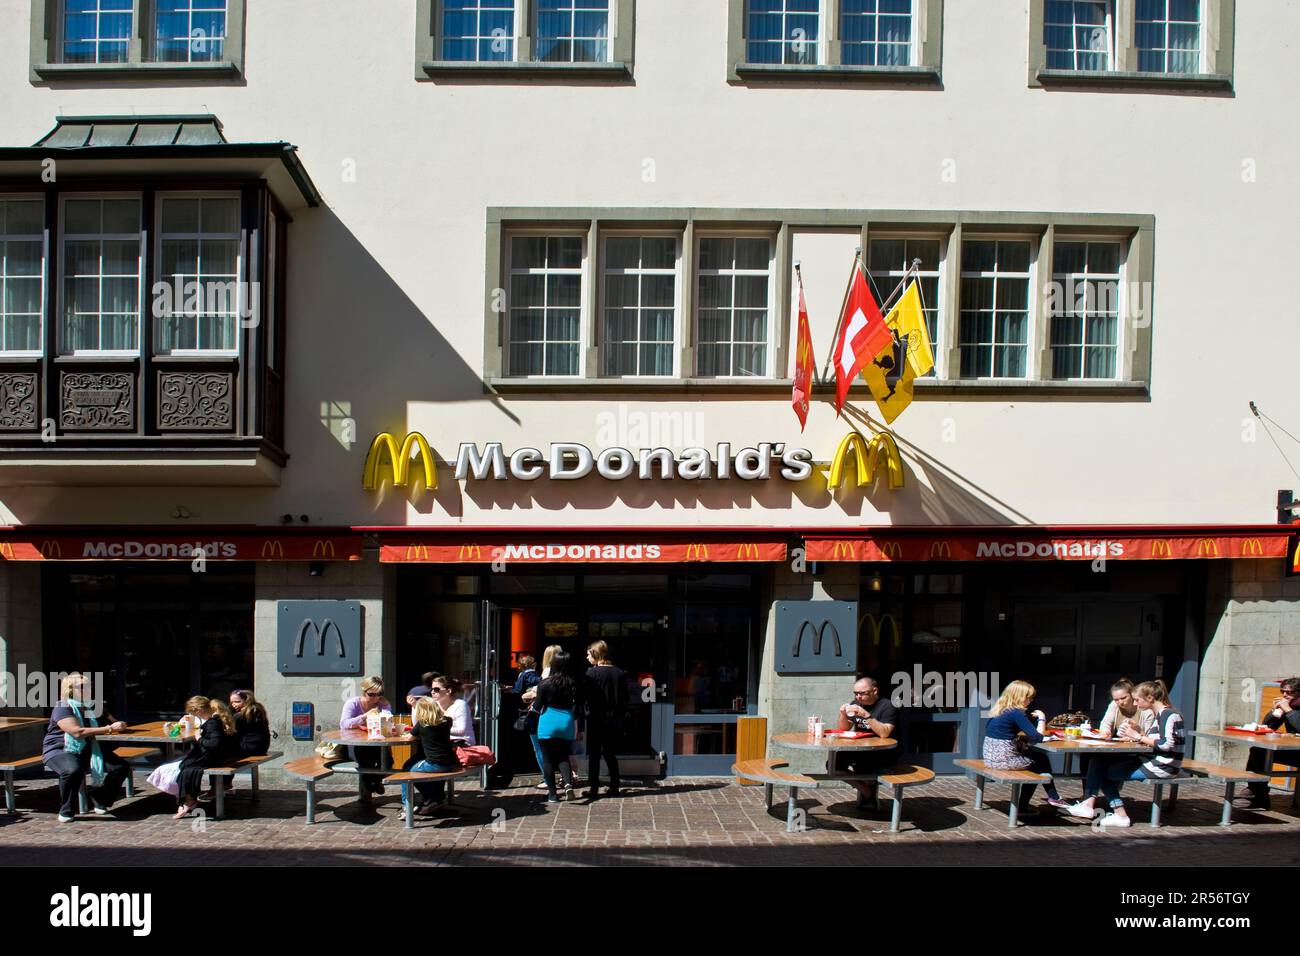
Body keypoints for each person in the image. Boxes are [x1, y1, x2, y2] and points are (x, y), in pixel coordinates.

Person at [1067, 679, 1184, 827]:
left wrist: (1138, 736)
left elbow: (1166, 744)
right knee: (1097, 762)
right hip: (1153, 761)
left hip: (1162, 766)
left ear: (1149, 698)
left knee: (1102, 772)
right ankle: (1090, 805)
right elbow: (1155, 740)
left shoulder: (1167, 715)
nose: (1135, 704)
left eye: (1136, 700)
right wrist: (1139, 731)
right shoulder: (1163, 714)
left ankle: (1118, 814)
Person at [42, 672, 130, 823]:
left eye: (89, 686)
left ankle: (99, 798)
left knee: (120, 767)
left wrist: (120, 724)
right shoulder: (63, 707)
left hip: (89, 749)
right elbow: (76, 732)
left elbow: (116, 723)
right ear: (70, 689)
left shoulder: (93, 705)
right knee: (72, 771)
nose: (87, 689)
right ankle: (66, 810)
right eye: (82, 686)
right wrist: (108, 728)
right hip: (61, 749)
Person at [982, 679, 1069, 818]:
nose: (1030, 701)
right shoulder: (1015, 713)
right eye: (1029, 697)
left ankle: (1050, 797)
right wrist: (1042, 718)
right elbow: (1037, 737)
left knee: (1036, 761)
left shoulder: (1000, 711)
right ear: (1019, 697)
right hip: (1004, 761)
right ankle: (1051, 797)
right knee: (1040, 759)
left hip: (990, 759)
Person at [834, 676, 899, 806]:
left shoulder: (887, 706)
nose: (858, 697)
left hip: (881, 752)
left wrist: (866, 716)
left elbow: (884, 733)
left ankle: (868, 791)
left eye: (862, 693)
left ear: (874, 691)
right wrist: (843, 714)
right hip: (859, 749)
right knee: (833, 766)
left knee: (866, 770)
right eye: (856, 693)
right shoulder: (855, 703)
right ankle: (867, 791)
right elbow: (843, 728)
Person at [174, 696, 236, 819]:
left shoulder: (212, 723)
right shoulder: (216, 719)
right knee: (185, 766)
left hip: (212, 757)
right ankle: (189, 799)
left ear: (199, 711)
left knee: (187, 768)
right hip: (219, 755)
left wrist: (199, 739)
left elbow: (214, 744)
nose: (194, 715)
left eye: (193, 713)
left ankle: (189, 800)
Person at [1244, 677, 1300, 809]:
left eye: (1289, 692)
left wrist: (1289, 711)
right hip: (1293, 750)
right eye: (1283, 692)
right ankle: (1257, 792)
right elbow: (1268, 727)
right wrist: (1274, 712)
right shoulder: (1289, 706)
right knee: (1259, 750)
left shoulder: (1291, 708)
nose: (1285, 695)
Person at [402, 695, 459, 815]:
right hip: (451, 762)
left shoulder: (422, 725)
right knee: (414, 764)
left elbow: (409, 737)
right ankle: (436, 798)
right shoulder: (447, 721)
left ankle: (409, 806)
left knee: (406, 773)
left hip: (435, 763)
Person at [583, 640, 627, 798]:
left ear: (596, 654)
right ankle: (614, 785)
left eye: (589, 654)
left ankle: (593, 788)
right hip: (614, 719)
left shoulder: (591, 673)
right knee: (610, 754)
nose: (587, 657)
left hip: (596, 719)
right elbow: (625, 698)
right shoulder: (619, 673)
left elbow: (585, 696)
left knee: (594, 754)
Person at [535, 650, 580, 803]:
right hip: (566, 721)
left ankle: (553, 794)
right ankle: (568, 783)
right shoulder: (573, 683)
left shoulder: (545, 683)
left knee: (547, 759)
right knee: (563, 756)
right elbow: (578, 706)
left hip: (548, 721)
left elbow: (537, 706)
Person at [340, 676, 391, 796]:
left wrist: (387, 707)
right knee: (365, 761)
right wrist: (364, 716)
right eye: (372, 694)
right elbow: (344, 724)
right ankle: (366, 793)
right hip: (355, 744)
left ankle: (375, 782)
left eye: (380, 694)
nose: (376, 697)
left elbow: (388, 722)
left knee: (388, 761)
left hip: (376, 743)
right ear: (364, 691)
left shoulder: (381, 703)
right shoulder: (353, 703)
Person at [523, 645, 563, 788]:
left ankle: (548, 779)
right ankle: (566, 779)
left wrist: (528, 694)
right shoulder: (564, 674)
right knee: (561, 751)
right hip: (561, 716)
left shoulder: (547, 672)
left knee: (540, 748)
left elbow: (539, 693)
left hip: (542, 714)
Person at [431, 676, 475, 746]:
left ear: (448, 691)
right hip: (442, 745)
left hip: (462, 746)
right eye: (432, 689)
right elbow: (418, 725)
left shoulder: (460, 705)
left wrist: (436, 729)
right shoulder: (433, 705)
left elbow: (461, 730)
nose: (432, 692)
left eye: (436, 689)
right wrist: (414, 706)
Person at [229, 689, 271, 756]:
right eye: (232, 702)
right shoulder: (258, 709)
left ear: (246, 700)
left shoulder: (242, 715)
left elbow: (230, 730)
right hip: (263, 747)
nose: (233, 705)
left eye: (237, 702)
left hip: (249, 748)